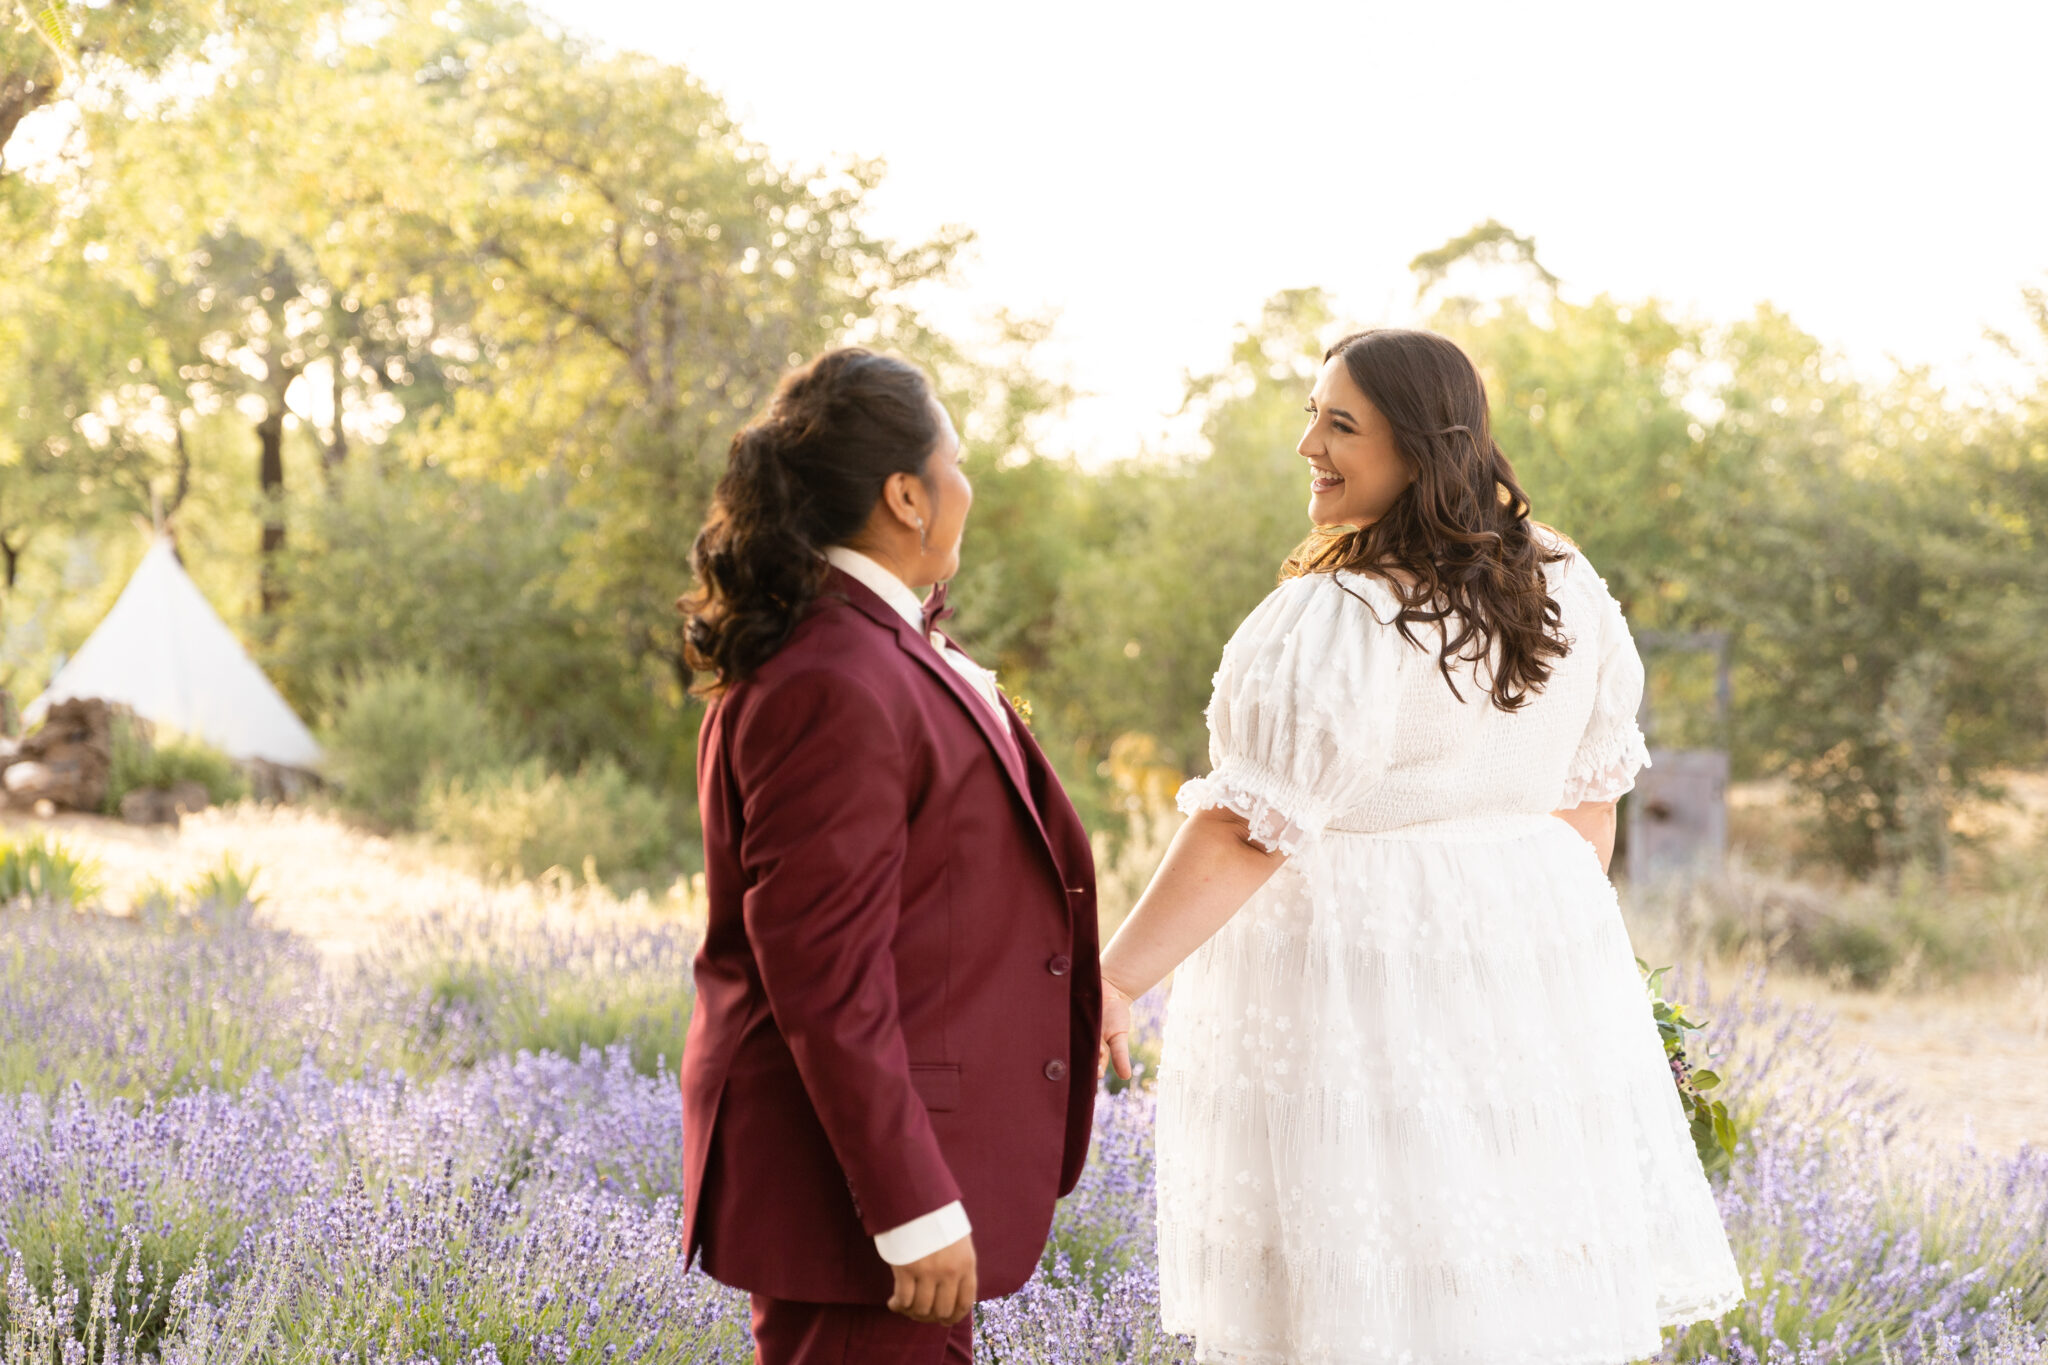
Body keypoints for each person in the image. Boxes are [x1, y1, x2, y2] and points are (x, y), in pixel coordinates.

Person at [1098, 328, 1743, 1363]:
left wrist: (1116, 977)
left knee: (1365, 1281)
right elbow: (1585, 811)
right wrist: (1533, 971)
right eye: (1310, 414)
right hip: (1515, 988)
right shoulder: (1564, 589)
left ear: (1421, 448)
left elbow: (1244, 830)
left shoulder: (1335, 616)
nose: (1306, 442)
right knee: (1489, 1270)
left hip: (1360, 991)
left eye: (1339, 424)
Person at [678, 348, 1101, 1365]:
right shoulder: (835, 678)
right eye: (955, 461)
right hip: (860, 1205)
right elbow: (822, 976)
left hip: (897, 1182)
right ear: (906, 495)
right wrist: (910, 1206)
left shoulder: (874, 649)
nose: (969, 484)